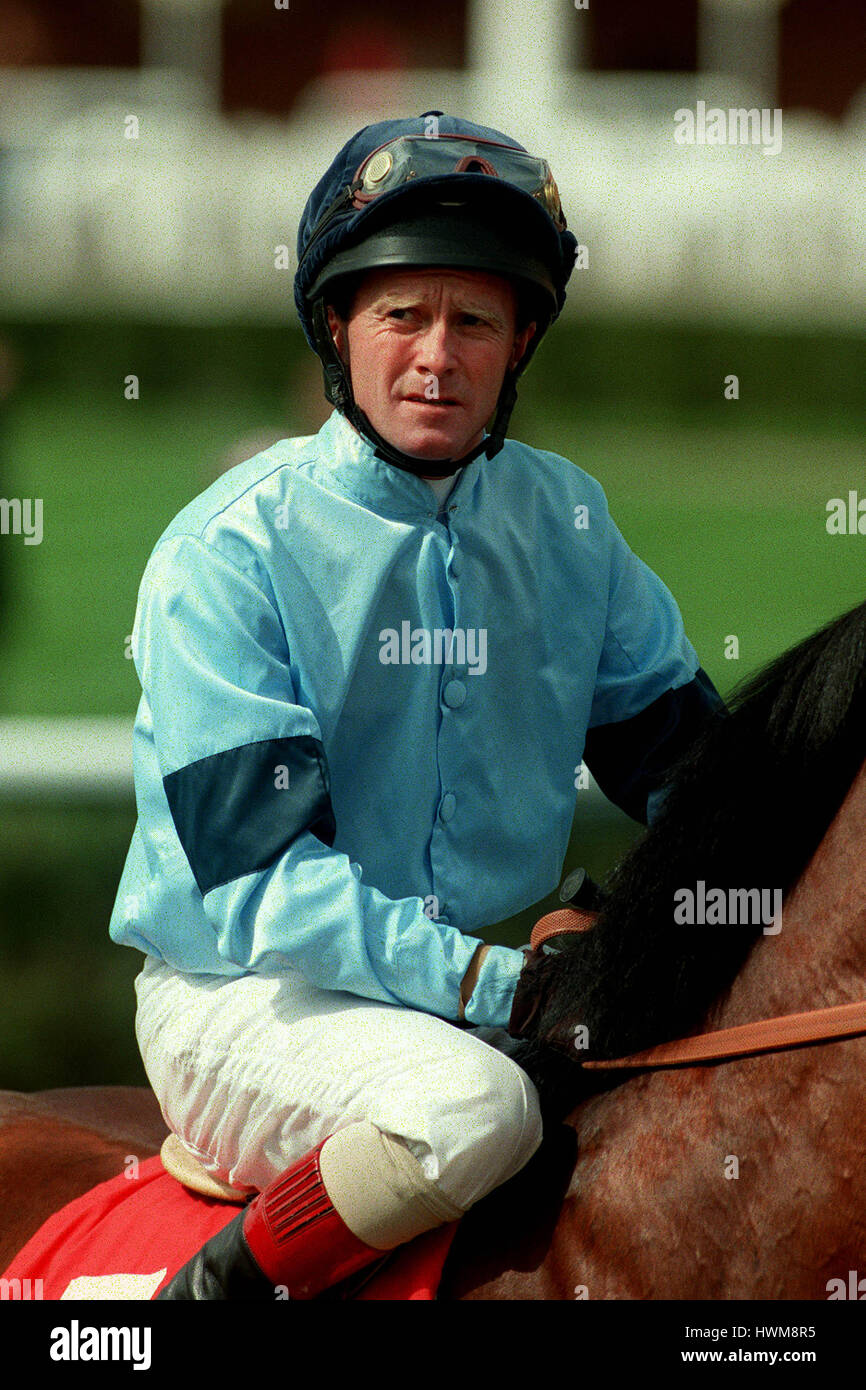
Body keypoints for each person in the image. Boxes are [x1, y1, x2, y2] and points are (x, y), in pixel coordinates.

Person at [110, 112, 726, 1300]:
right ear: (337, 330)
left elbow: (692, 772)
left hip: (479, 994)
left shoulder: (569, 523)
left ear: (518, 345)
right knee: (473, 1106)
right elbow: (261, 889)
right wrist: (503, 988)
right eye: (402, 315)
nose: (436, 357)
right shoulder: (228, 551)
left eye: (474, 321)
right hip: (247, 998)